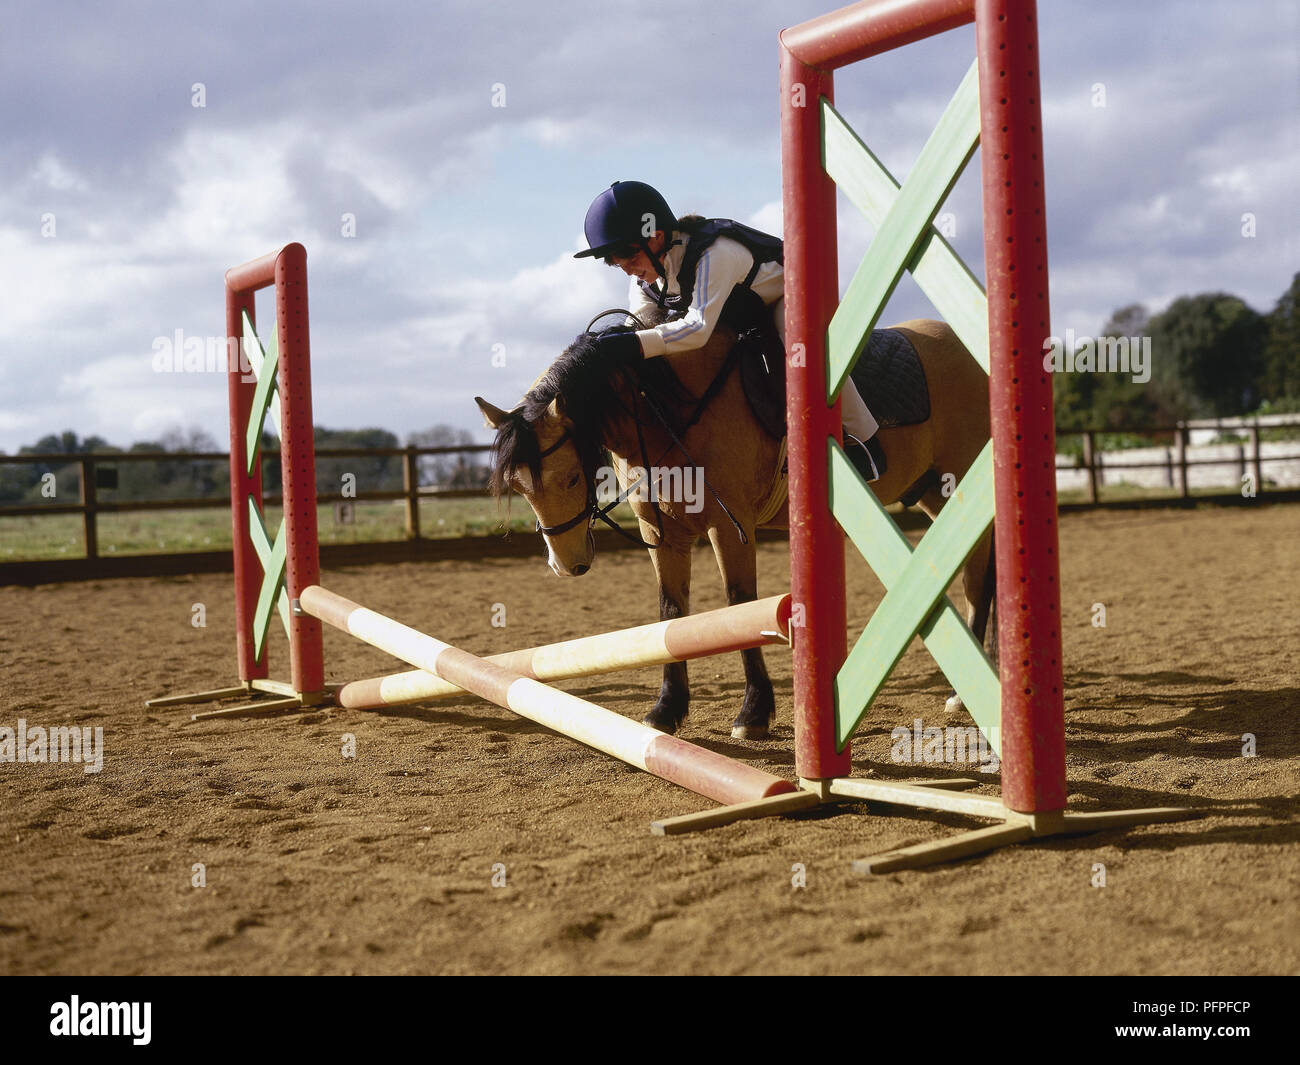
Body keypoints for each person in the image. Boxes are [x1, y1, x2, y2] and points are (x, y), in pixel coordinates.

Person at [573, 180, 885, 480]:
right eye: (615, 262)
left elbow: (697, 328)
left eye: (628, 255)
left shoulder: (714, 253)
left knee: (800, 351)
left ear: (655, 236)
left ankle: (866, 444)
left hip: (793, 294)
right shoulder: (645, 278)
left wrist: (631, 344)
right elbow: (639, 327)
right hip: (744, 315)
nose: (625, 268)